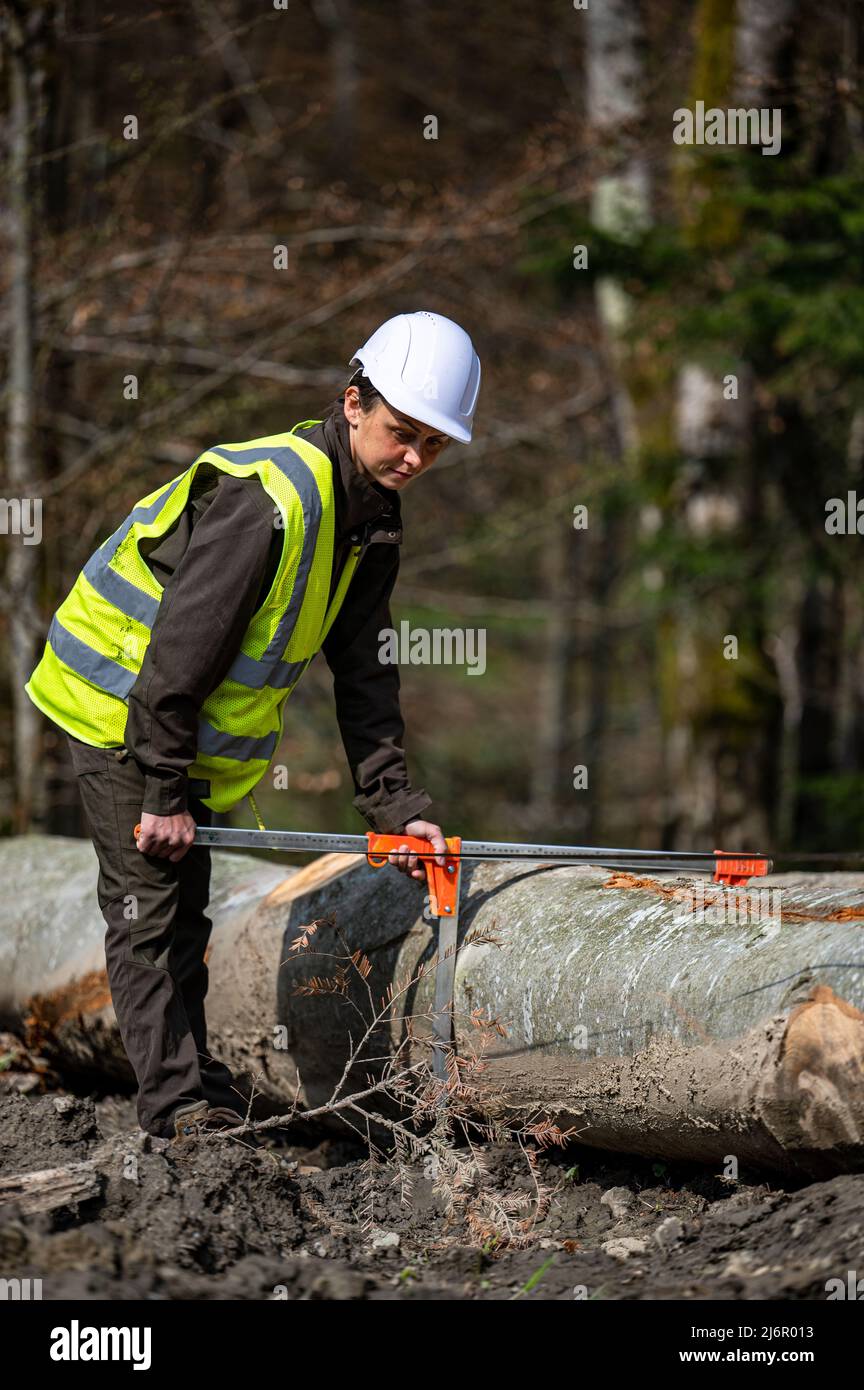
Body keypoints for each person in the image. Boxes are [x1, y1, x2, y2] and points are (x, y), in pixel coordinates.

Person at [24, 310, 482, 1142]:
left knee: (184, 916)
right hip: (120, 710)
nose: (414, 457)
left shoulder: (372, 514)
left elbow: (367, 669)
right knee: (147, 918)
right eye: (401, 432)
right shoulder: (269, 502)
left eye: (433, 445)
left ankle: (193, 1079)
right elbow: (177, 658)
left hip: (173, 729)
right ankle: (174, 1113)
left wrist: (395, 805)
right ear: (353, 404)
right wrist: (164, 788)